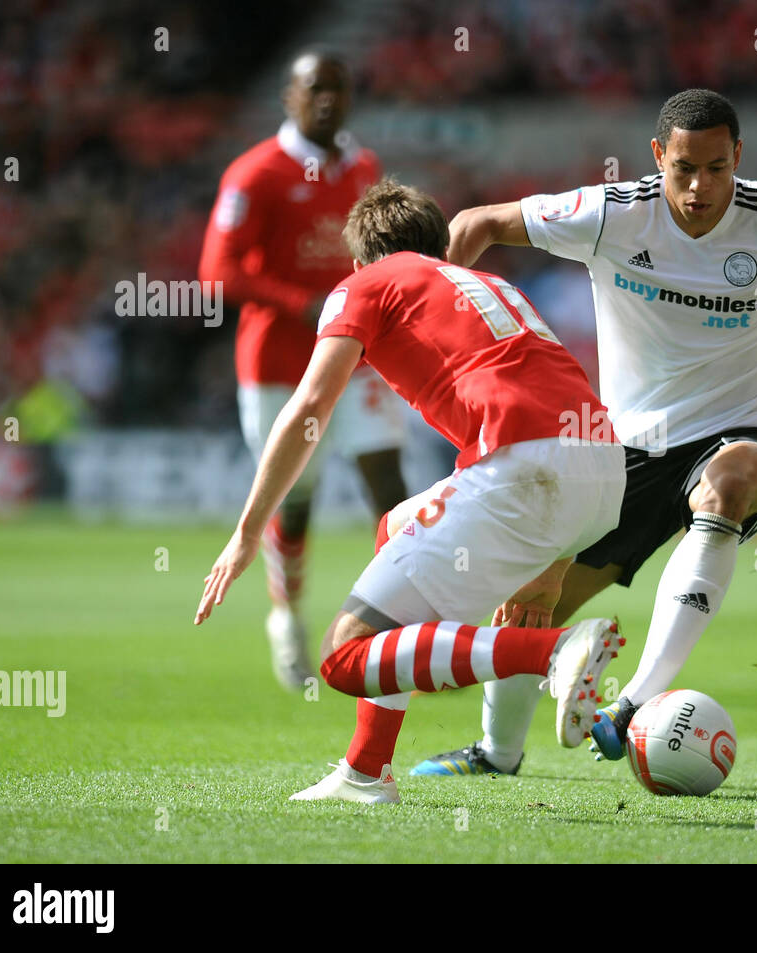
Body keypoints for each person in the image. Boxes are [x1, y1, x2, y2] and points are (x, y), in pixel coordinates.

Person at [400, 88, 757, 777]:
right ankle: (496, 753)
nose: (700, 187)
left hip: (752, 429)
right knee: (527, 602)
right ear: (658, 156)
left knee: (724, 489)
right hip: (628, 451)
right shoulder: (611, 213)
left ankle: (632, 702)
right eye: (684, 168)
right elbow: (477, 221)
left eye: (718, 168)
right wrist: (445, 319)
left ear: (739, 158)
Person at [194, 178, 628, 803]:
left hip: (519, 466)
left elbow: (310, 407)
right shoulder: (496, 285)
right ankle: (366, 773)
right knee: (395, 528)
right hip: (602, 471)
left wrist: (246, 532)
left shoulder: (366, 284)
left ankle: (553, 654)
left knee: (344, 657)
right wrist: (556, 560)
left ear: (360, 257)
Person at [198, 51, 409, 690]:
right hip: (281, 364)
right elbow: (218, 269)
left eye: (339, 89)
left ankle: (399, 629)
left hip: (358, 358)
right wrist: (304, 305)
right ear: (289, 97)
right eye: (316, 88)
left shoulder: (365, 167)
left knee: (390, 485)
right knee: (297, 501)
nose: (328, 100)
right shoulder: (256, 172)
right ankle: (287, 615)